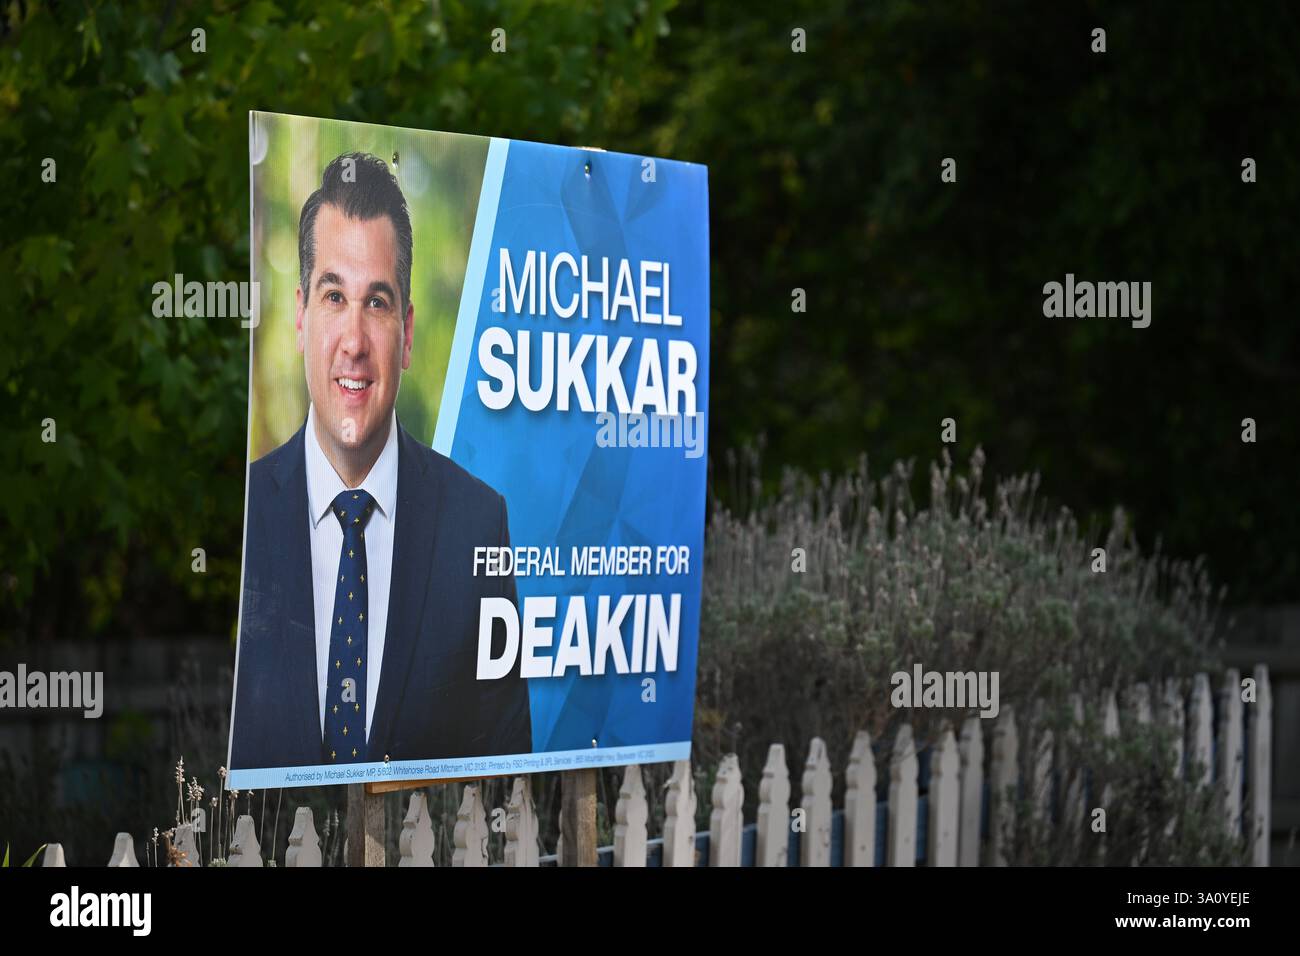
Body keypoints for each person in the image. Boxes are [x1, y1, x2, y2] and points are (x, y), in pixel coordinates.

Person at [229, 152, 531, 770]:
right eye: (334, 295)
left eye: (377, 303)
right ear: (299, 317)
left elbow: (509, 770)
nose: (355, 342)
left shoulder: (478, 522)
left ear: (409, 333)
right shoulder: (242, 515)